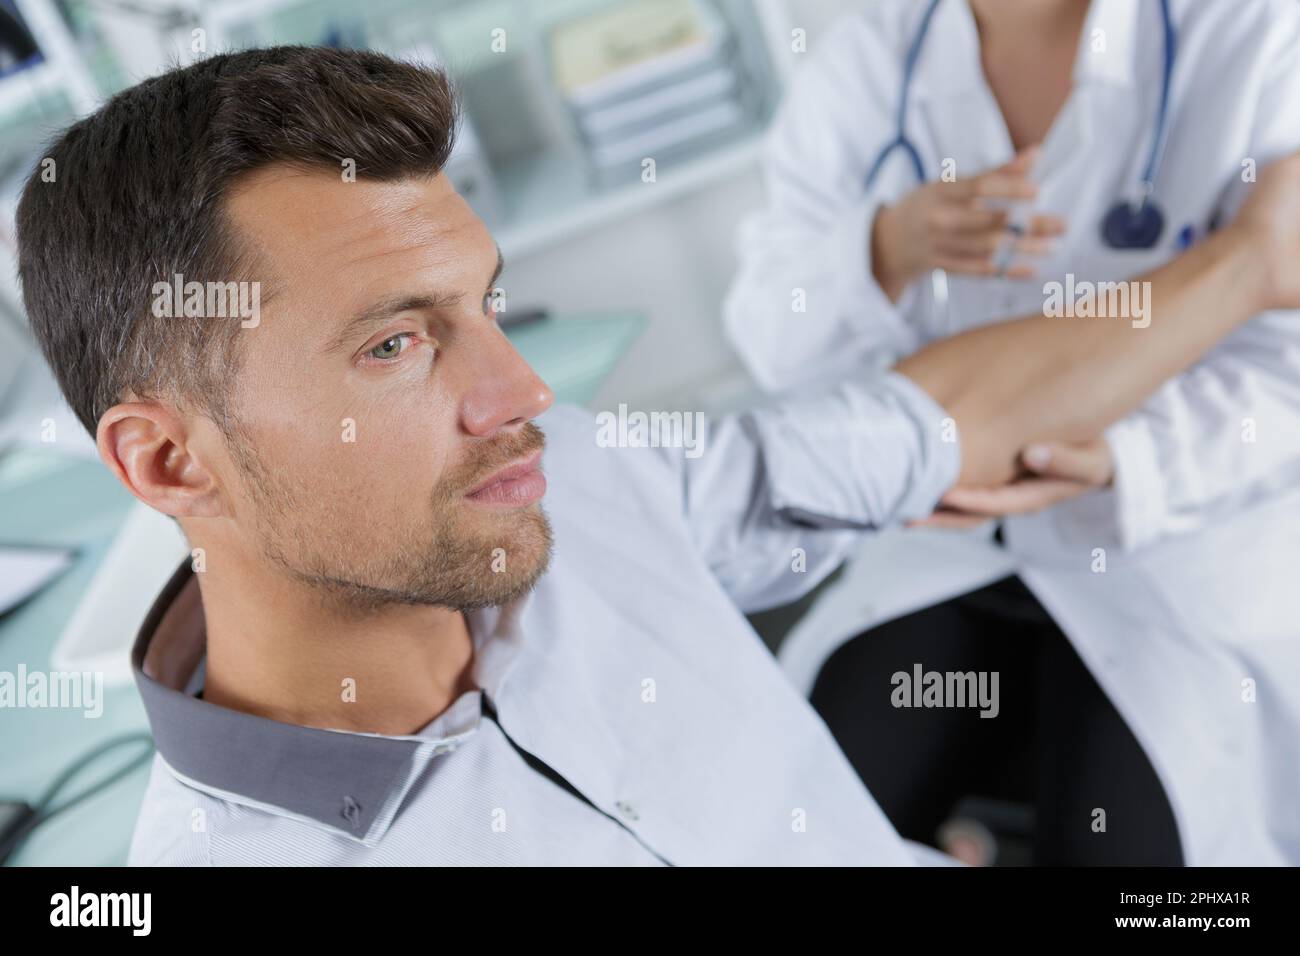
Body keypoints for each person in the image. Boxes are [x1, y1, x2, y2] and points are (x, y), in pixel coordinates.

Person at [15, 47, 1300, 865]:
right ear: (172, 464)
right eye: (396, 344)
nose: (519, 393)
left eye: (488, 308)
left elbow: (935, 412)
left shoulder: (579, 483)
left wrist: (1246, 263)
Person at [724, 0, 1300, 864]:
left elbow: (1286, 368)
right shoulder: (863, 64)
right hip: (957, 550)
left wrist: (1129, 460)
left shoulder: (1253, 32)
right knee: (798, 830)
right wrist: (882, 249)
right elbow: (771, 336)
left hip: (1174, 545)